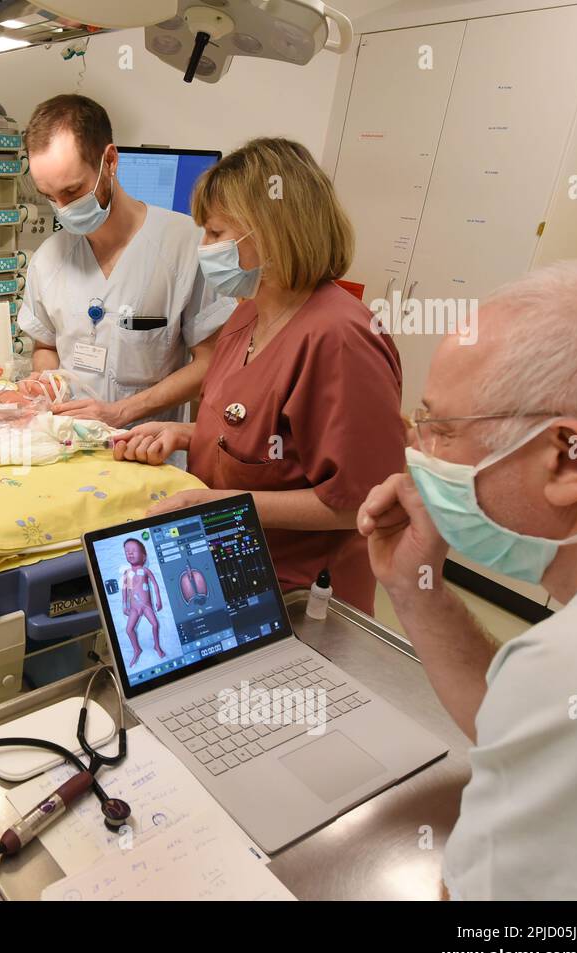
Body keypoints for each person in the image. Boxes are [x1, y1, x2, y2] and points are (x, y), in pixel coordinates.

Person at [357, 261, 577, 899]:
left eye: (441, 430)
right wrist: (415, 587)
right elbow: (525, 728)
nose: (417, 453)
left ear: (569, 457)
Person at [112, 137, 405, 613]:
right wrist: (183, 433)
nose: (202, 247)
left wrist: (218, 504)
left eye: (215, 232)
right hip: (227, 567)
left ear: (270, 231)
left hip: (303, 597)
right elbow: (257, 433)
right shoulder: (248, 316)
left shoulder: (339, 338)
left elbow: (362, 501)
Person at [18, 94, 233, 432]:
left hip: (148, 451)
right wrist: (46, 382)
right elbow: (45, 344)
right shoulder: (49, 258)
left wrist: (120, 412)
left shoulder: (186, 247)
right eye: (49, 197)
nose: (62, 209)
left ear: (110, 161)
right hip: (70, 445)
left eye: (73, 192)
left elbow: (211, 361)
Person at [121, 538, 166, 667]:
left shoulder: (145, 571)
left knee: (155, 624)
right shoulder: (127, 573)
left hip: (146, 606)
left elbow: (155, 585)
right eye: (127, 551)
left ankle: (156, 646)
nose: (130, 553)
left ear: (144, 556)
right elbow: (124, 590)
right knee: (129, 629)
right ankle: (137, 649)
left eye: (134, 550)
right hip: (134, 607)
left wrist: (158, 599)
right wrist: (124, 605)